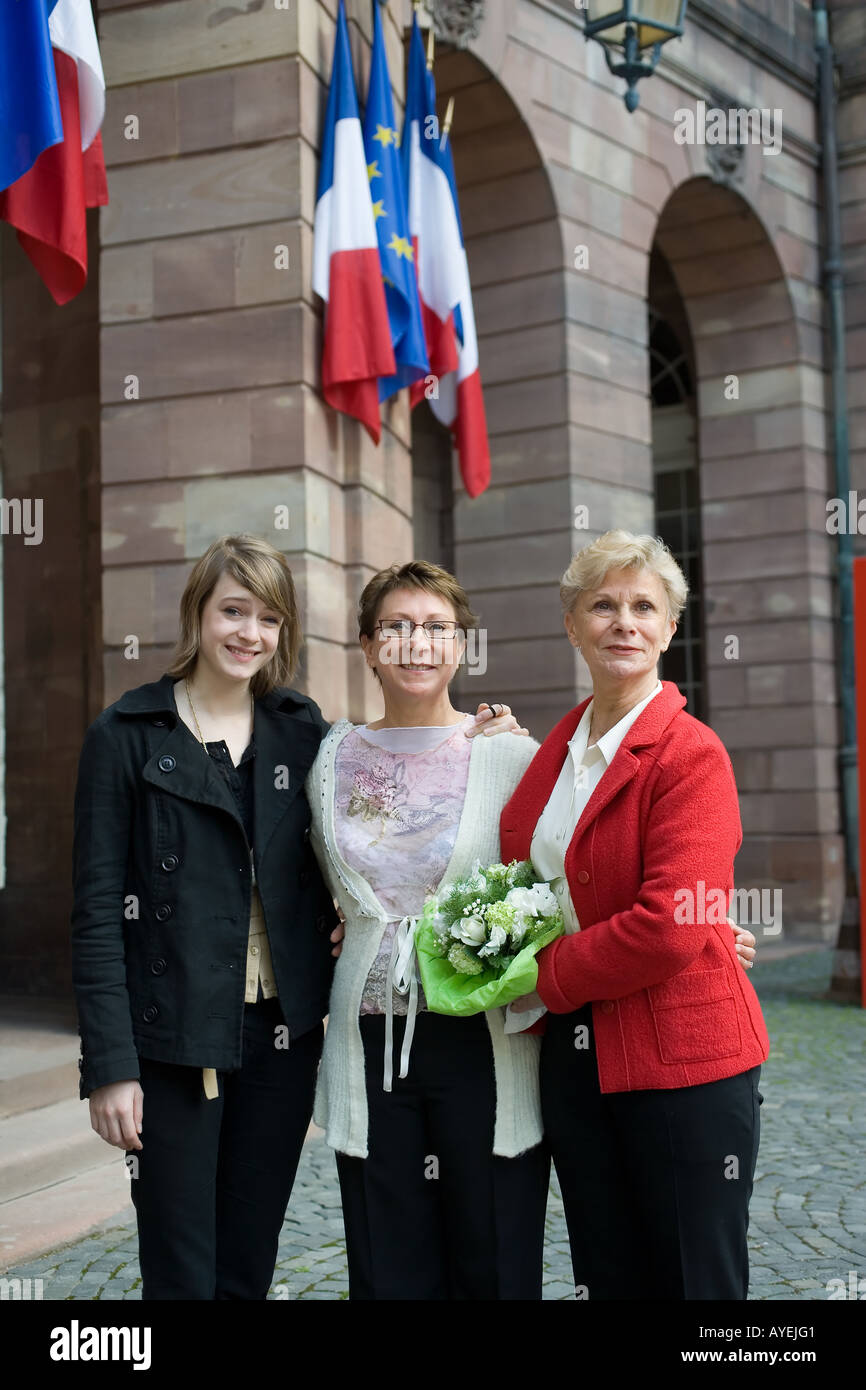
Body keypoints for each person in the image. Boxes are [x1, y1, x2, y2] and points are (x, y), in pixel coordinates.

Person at [70, 535, 518, 1300]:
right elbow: (95, 913)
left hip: (281, 1037)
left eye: (269, 619)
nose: (250, 633)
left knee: (249, 1257)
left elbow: (343, 854)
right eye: (233, 611)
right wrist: (110, 1066)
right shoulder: (127, 735)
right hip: (175, 1038)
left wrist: (340, 924)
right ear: (198, 615)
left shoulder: (299, 730)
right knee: (179, 1266)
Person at [307, 559, 757, 1301]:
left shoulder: (518, 756)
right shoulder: (334, 758)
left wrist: (704, 925)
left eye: (436, 628)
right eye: (396, 627)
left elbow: (603, 889)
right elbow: (315, 876)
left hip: (508, 1036)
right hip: (394, 1044)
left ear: (461, 646)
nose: (417, 644)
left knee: (545, 1262)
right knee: (425, 1268)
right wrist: (338, 925)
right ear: (365, 644)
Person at [507, 529, 770, 1301]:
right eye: (603, 605)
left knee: (693, 1284)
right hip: (577, 1065)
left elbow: (670, 926)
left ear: (669, 628)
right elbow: (526, 879)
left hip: (683, 1064)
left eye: (643, 606)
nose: (624, 622)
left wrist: (539, 976)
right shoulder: (549, 754)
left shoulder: (692, 754)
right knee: (607, 1275)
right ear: (572, 624)